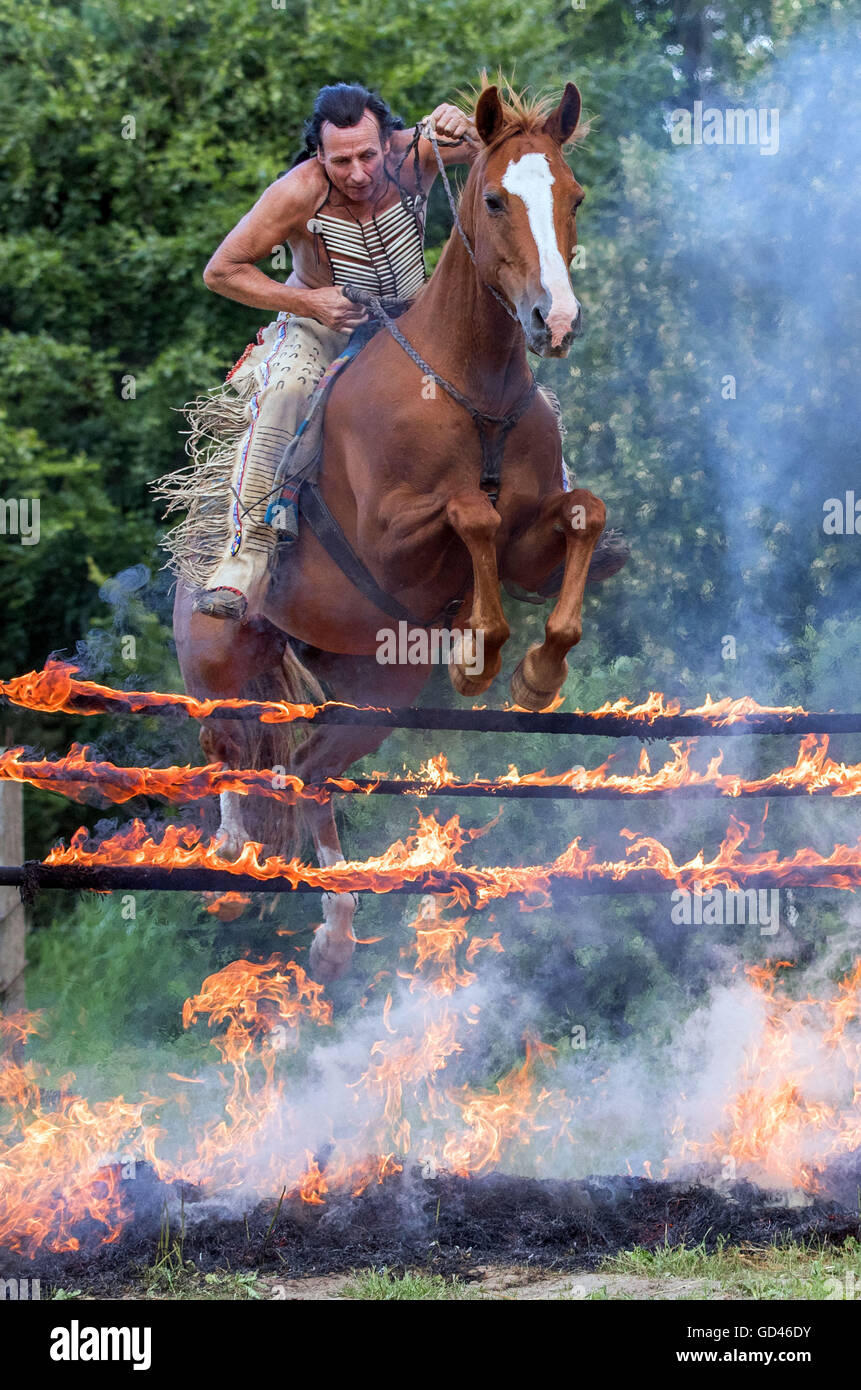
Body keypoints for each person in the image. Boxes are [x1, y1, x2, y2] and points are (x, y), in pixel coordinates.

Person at [187, 82, 477, 622]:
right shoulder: (296, 192)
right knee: (288, 389)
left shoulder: (420, 152)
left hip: (413, 323)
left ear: (389, 142)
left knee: (495, 374)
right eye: (341, 161)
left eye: (368, 155)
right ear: (319, 155)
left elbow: (514, 150)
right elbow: (221, 271)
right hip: (320, 327)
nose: (359, 173)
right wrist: (308, 301)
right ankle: (245, 559)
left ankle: (551, 501)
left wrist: (464, 124)